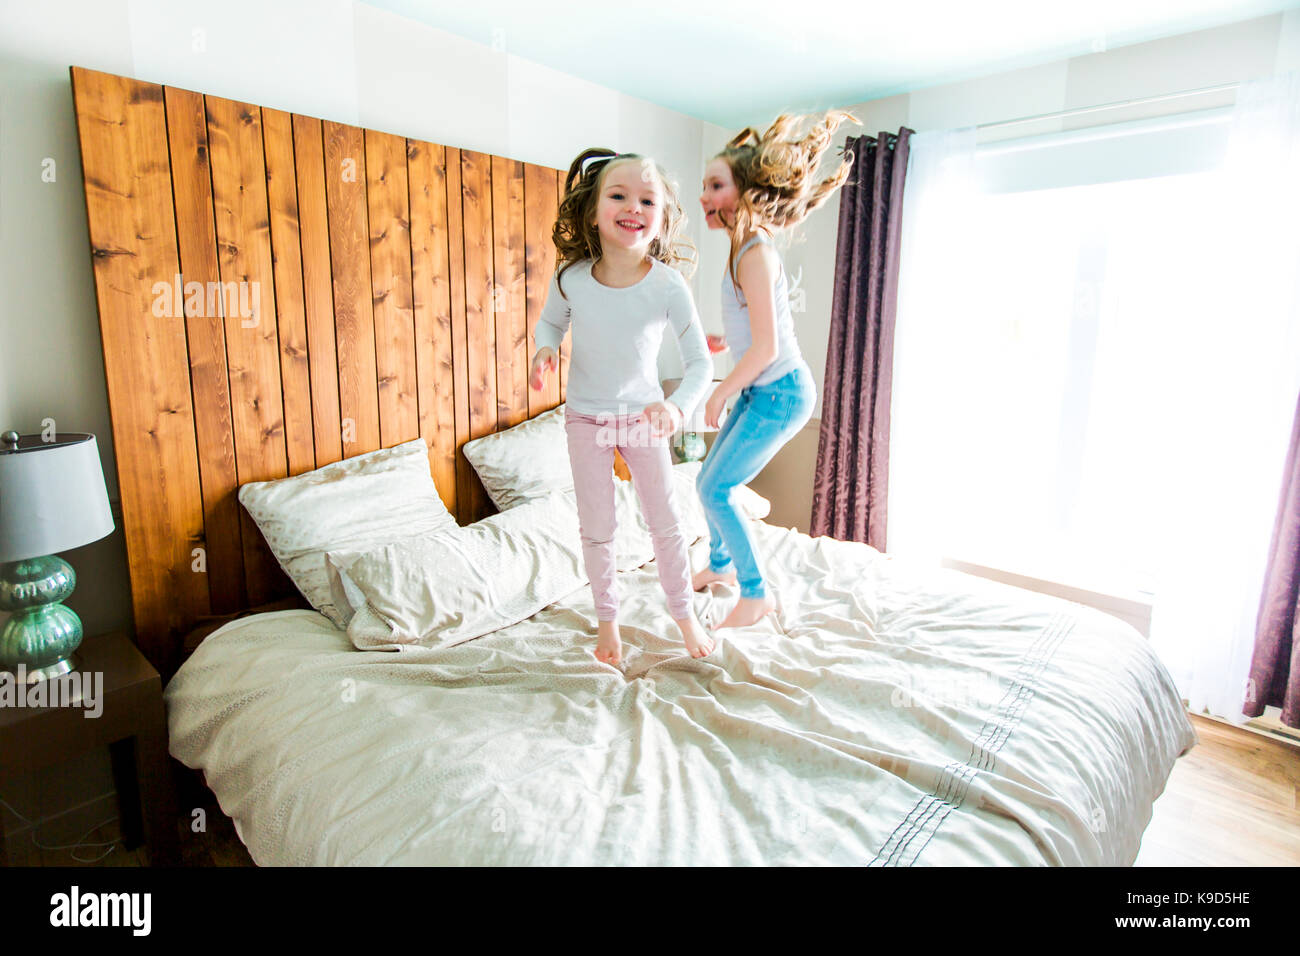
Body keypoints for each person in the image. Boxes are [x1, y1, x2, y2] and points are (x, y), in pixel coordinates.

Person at [530, 148, 714, 667]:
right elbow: (550, 323)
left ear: (659, 219)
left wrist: (676, 410)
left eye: (647, 200)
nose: (633, 206)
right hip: (585, 420)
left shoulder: (667, 285)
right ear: (593, 211)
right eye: (619, 195)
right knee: (598, 528)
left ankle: (684, 615)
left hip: (642, 419)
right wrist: (545, 349)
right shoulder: (572, 279)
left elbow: (701, 363)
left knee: (666, 522)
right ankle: (607, 623)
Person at [693, 111, 858, 628]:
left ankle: (756, 592)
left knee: (717, 490)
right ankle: (720, 566)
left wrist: (719, 393)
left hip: (780, 392)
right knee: (707, 482)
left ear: (747, 193)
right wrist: (725, 343)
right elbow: (758, 332)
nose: (704, 196)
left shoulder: (755, 254)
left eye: (715, 186)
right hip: (765, 387)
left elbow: (766, 349)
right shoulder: (742, 249)